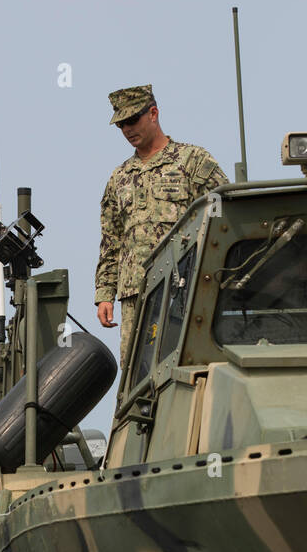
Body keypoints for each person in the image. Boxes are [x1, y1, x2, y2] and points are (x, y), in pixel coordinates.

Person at [94, 84, 228, 369]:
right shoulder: (119, 178)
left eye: (132, 120)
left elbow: (225, 212)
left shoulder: (192, 161)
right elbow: (111, 241)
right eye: (121, 125)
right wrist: (104, 294)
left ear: (153, 113)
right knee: (136, 372)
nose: (127, 129)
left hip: (183, 285)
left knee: (183, 363)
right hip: (135, 295)